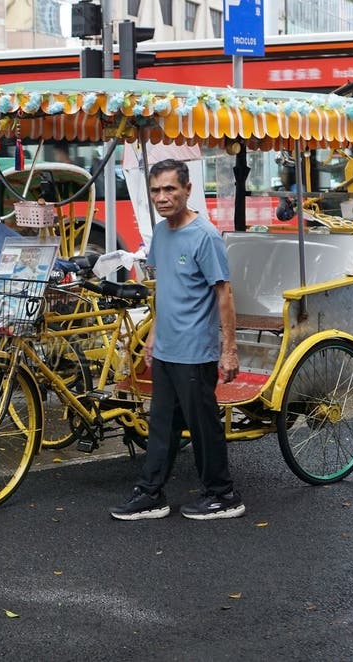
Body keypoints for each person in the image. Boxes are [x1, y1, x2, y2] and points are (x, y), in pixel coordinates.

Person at [109, 158, 245, 521]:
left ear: (187, 189)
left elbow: (225, 294)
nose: (162, 197)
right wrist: (153, 335)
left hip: (195, 351)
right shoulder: (162, 234)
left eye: (170, 188)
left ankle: (223, 494)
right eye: (155, 190)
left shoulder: (205, 236)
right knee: (162, 426)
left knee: (203, 426)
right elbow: (165, 291)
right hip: (167, 347)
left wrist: (228, 352)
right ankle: (151, 492)